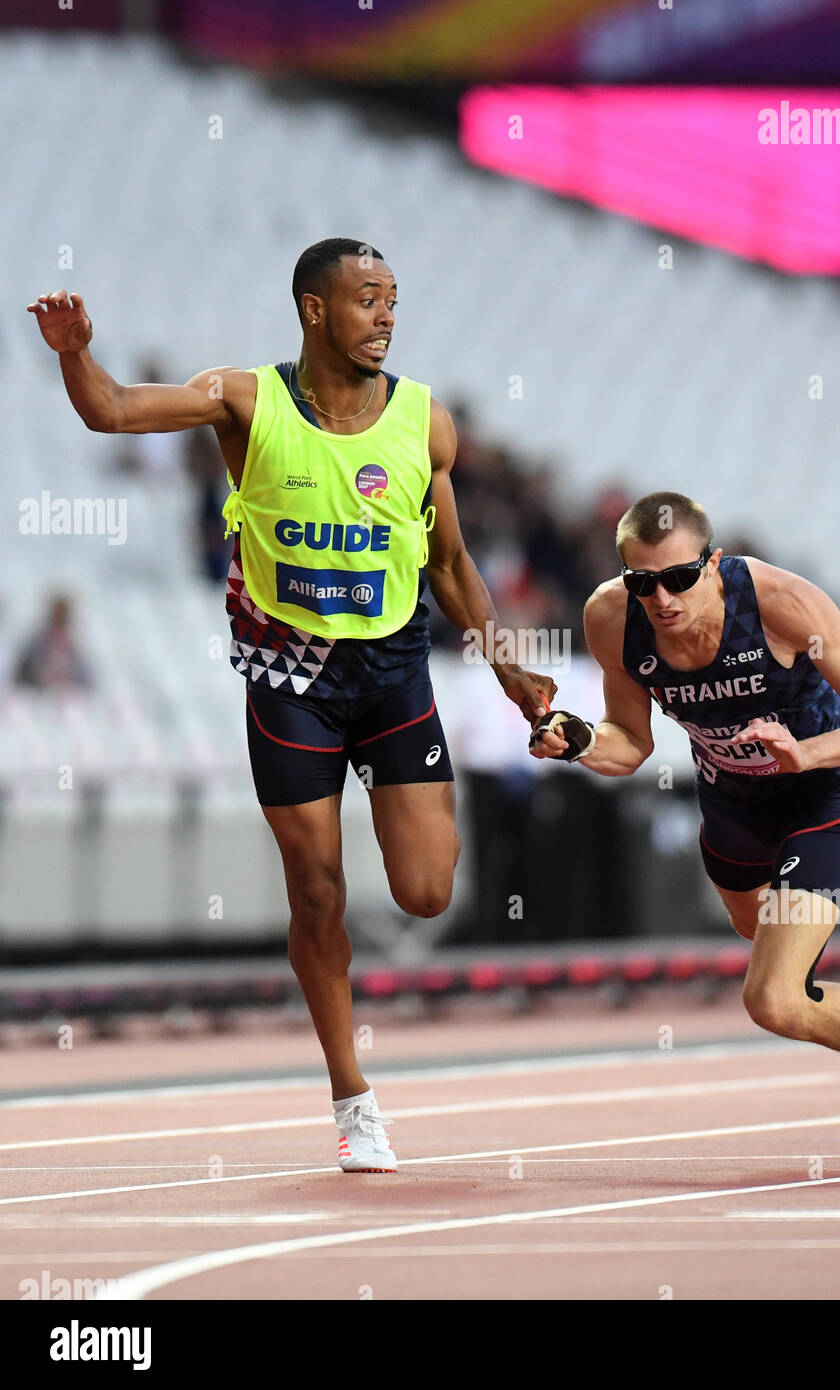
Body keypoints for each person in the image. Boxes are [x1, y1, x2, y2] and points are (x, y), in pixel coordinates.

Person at [29, 239, 556, 1173]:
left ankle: (361, 1060)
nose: (385, 316)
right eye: (367, 298)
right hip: (289, 676)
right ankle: (353, 1097)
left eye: (392, 299)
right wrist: (76, 353)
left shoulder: (424, 422)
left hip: (392, 669)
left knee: (426, 892)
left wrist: (508, 667)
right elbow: (112, 410)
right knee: (315, 891)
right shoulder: (245, 399)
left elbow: (450, 564)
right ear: (315, 309)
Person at [529, 491, 840, 1167]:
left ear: (713, 563)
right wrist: (580, 742)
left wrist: (810, 753)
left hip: (822, 788)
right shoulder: (610, 617)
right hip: (733, 800)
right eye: (643, 582)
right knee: (762, 940)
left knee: (773, 998)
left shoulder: (779, 603)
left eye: (679, 578)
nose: (662, 599)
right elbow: (630, 742)